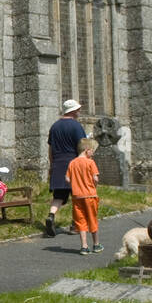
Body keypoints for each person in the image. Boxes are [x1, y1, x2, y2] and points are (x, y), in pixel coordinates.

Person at [44, 99, 87, 238]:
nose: (79, 111)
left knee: (59, 196)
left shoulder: (54, 126)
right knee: (77, 195)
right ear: (73, 111)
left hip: (57, 163)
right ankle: (75, 225)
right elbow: (82, 146)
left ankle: (51, 216)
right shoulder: (76, 126)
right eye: (78, 109)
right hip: (73, 163)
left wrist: (52, 165)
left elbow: (50, 149)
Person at [66, 138, 102, 254]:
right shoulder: (90, 162)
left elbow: (67, 179)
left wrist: (75, 183)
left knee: (80, 221)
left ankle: (84, 246)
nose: (93, 154)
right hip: (90, 195)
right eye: (92, 151)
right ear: (87, 150)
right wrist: (94, 184)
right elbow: (95, 178)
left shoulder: (72, 163)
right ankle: (96, 244)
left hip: (77, 196)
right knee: (92, 219)